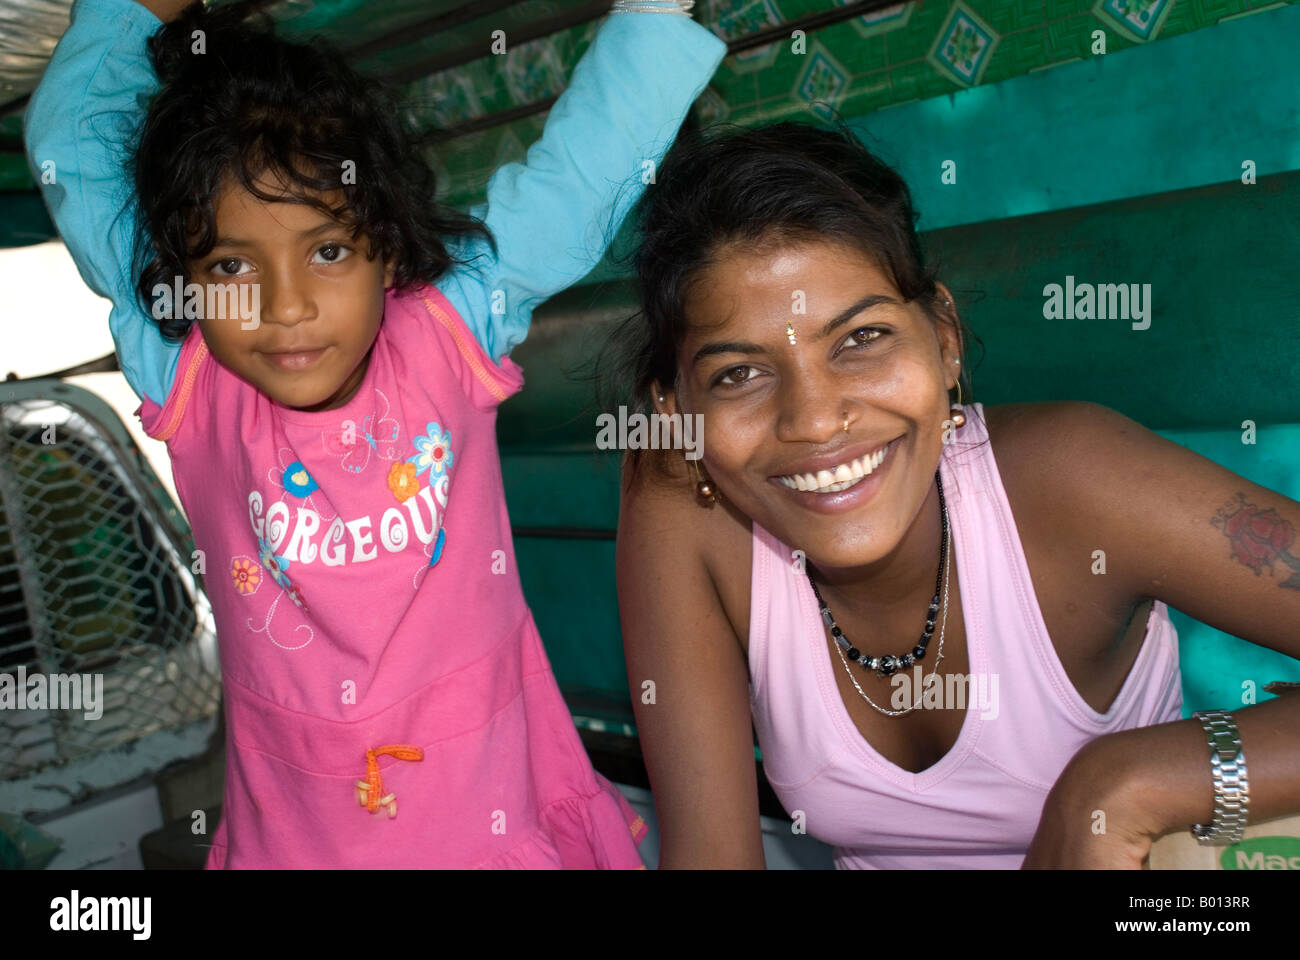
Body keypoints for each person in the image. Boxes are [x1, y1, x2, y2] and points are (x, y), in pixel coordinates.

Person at [24, 0, 726, 868]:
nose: (284, 308)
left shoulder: (449, 327)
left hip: (494, 834)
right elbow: (70, 146)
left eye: (326, 251)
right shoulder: (186, 366)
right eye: (232, 265)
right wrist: (134, 12)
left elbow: (577, 181)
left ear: (387, 250)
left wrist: (655, 13)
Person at [609, 120, 1300, 868]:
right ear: (677, 415)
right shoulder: (684, 505)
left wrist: (1121, 784)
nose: (813, 421)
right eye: (738, 374)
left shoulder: (1072, 478)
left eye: (860, 339)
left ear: (943, 340)